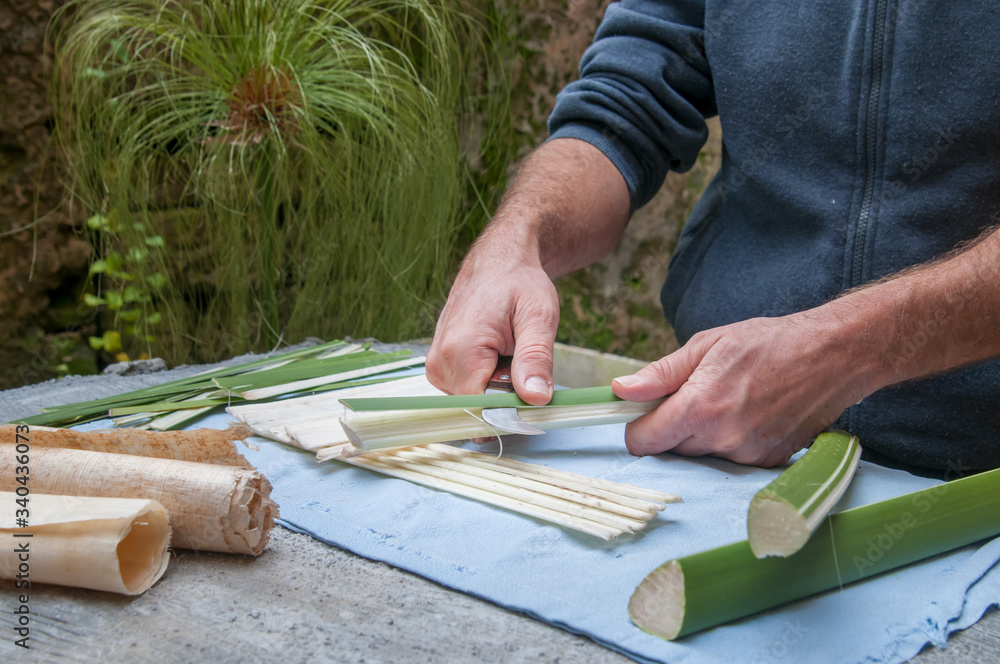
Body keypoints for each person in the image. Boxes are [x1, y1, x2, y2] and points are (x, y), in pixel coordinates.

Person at [426, 1, 1000, 472]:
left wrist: (842, 352)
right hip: (716, 449)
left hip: (975, 475)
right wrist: (518, 241)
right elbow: (627, 105)